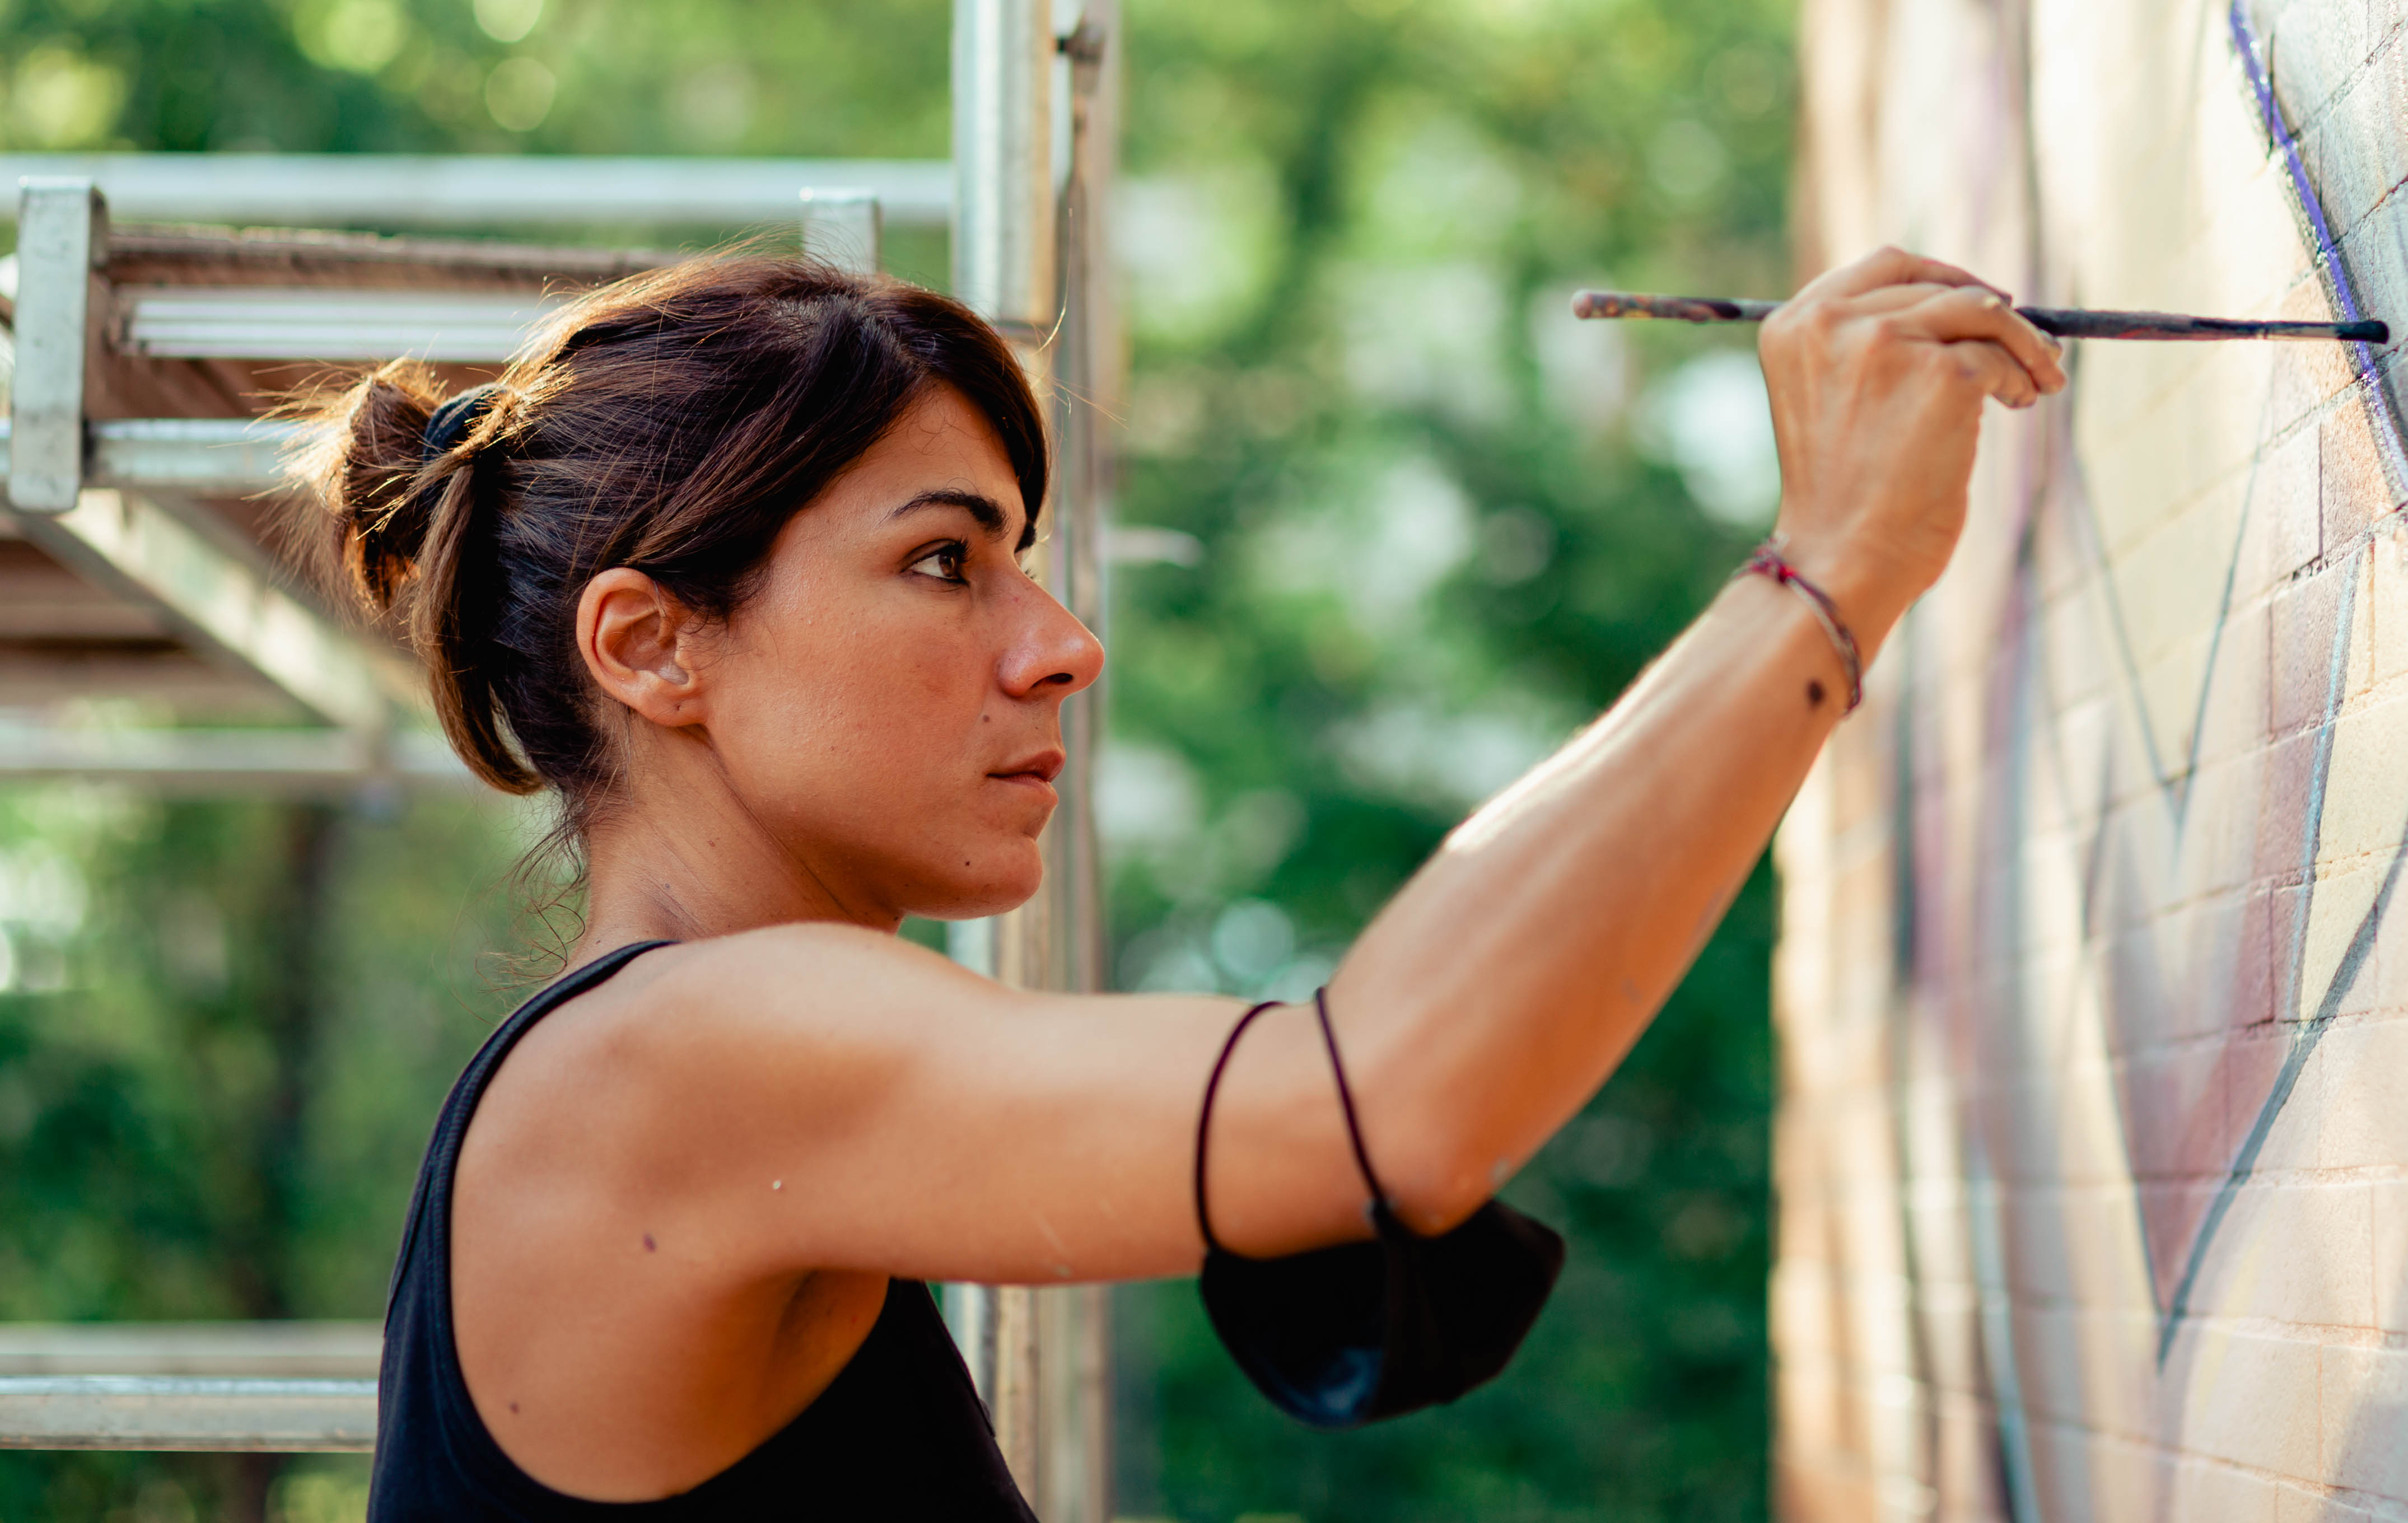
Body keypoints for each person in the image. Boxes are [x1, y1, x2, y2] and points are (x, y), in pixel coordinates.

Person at [312, 246, 2064, 1518]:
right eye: (944, 563)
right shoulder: (679, 1059)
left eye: (1026, 565)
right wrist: (1832, 565)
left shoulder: (680, 1078)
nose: (1062, 647)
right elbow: (1379, 1106)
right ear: (652, 648)